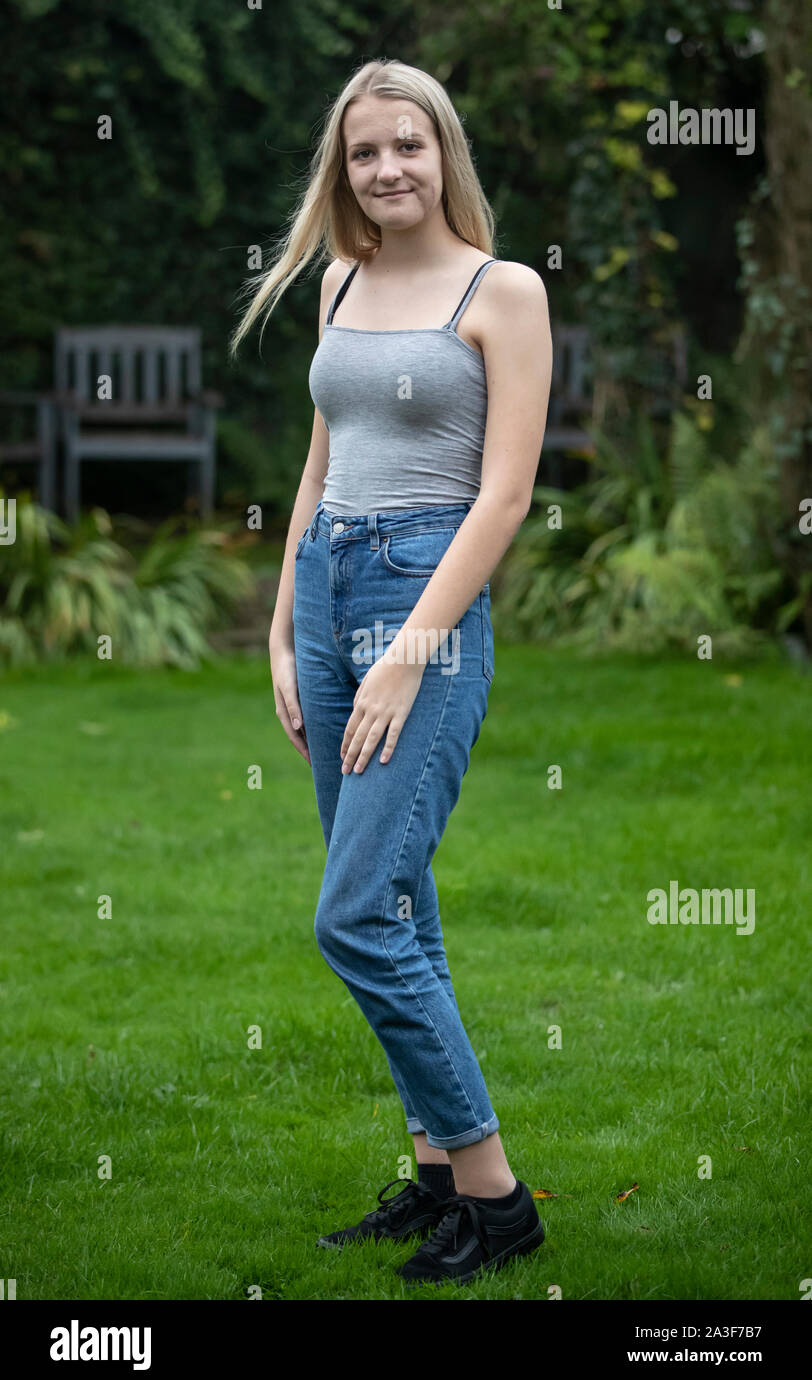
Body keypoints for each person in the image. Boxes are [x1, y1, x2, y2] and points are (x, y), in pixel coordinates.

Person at [231, 57, 552, 1287]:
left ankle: (497, 1195)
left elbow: (505, 494)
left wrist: (406, 656)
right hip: (326, 592)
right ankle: (432, 1186)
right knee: (399, 898)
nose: (386, 169)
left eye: (406, 145)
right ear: (343, 169)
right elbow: (318, 467)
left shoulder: (500, 290)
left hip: (427, 602)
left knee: (354, 911)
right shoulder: (341, 279)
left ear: (442, 150)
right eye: (364, 152)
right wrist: (280, 626)